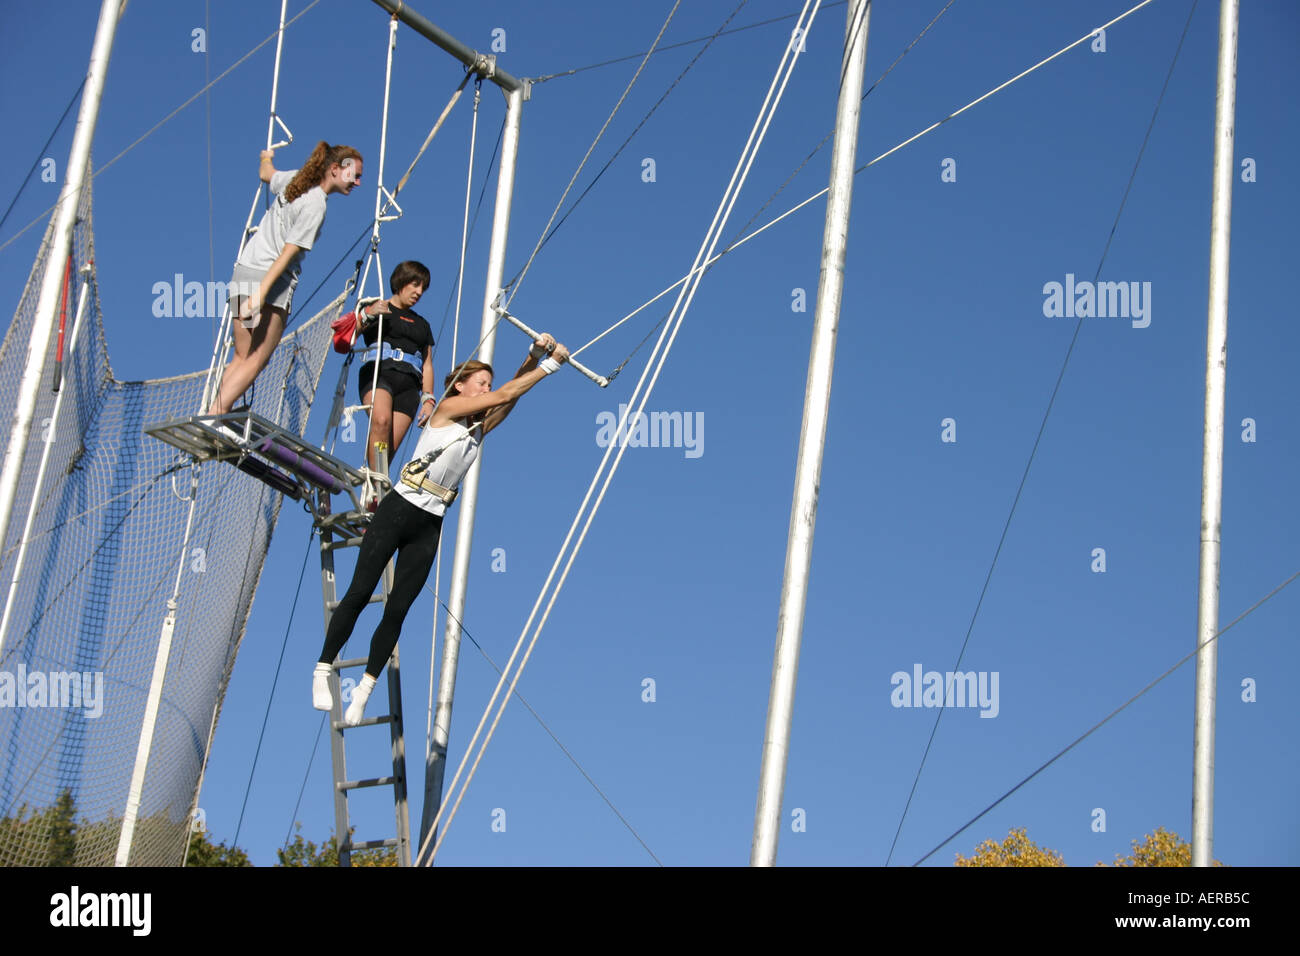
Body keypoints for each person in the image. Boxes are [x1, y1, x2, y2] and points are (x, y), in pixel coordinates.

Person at [313, 334, 571, 725]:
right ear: (461, 385)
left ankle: (365, 688)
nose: (487, 387)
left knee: (398, 608)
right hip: (400, 508)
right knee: (361, 592)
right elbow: (501, 396)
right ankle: (323, 667)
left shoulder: (478, 428)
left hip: (430, 523)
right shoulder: (447, 409)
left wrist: (533, 357)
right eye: (481, 382)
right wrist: (548, 367)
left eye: (489, 382)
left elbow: (508, 397)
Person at [209, 141, 364, 416]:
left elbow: (266, 173)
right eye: (355, 175)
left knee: (241, 356)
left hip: (244, 271)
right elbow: (287, 253)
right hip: (271, 284)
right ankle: (215, 414)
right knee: (258, 358)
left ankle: (214, 410)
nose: (358, 182)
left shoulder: (295, 179)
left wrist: (265, 156)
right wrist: (260, 295)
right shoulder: (317, 205)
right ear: (335, 169)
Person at [356, 261, 436, 473]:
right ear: (402, 281)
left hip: (409, 386)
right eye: (415, 285)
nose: (418, 292)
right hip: (379, 375)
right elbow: (348, 335)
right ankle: (375, 481)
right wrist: (368, 314)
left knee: (388, 449)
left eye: (423, 288)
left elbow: (427, 364)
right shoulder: (377, 307)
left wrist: (428, 399)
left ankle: (374, 490)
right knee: (381, 422)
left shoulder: (423, 325)